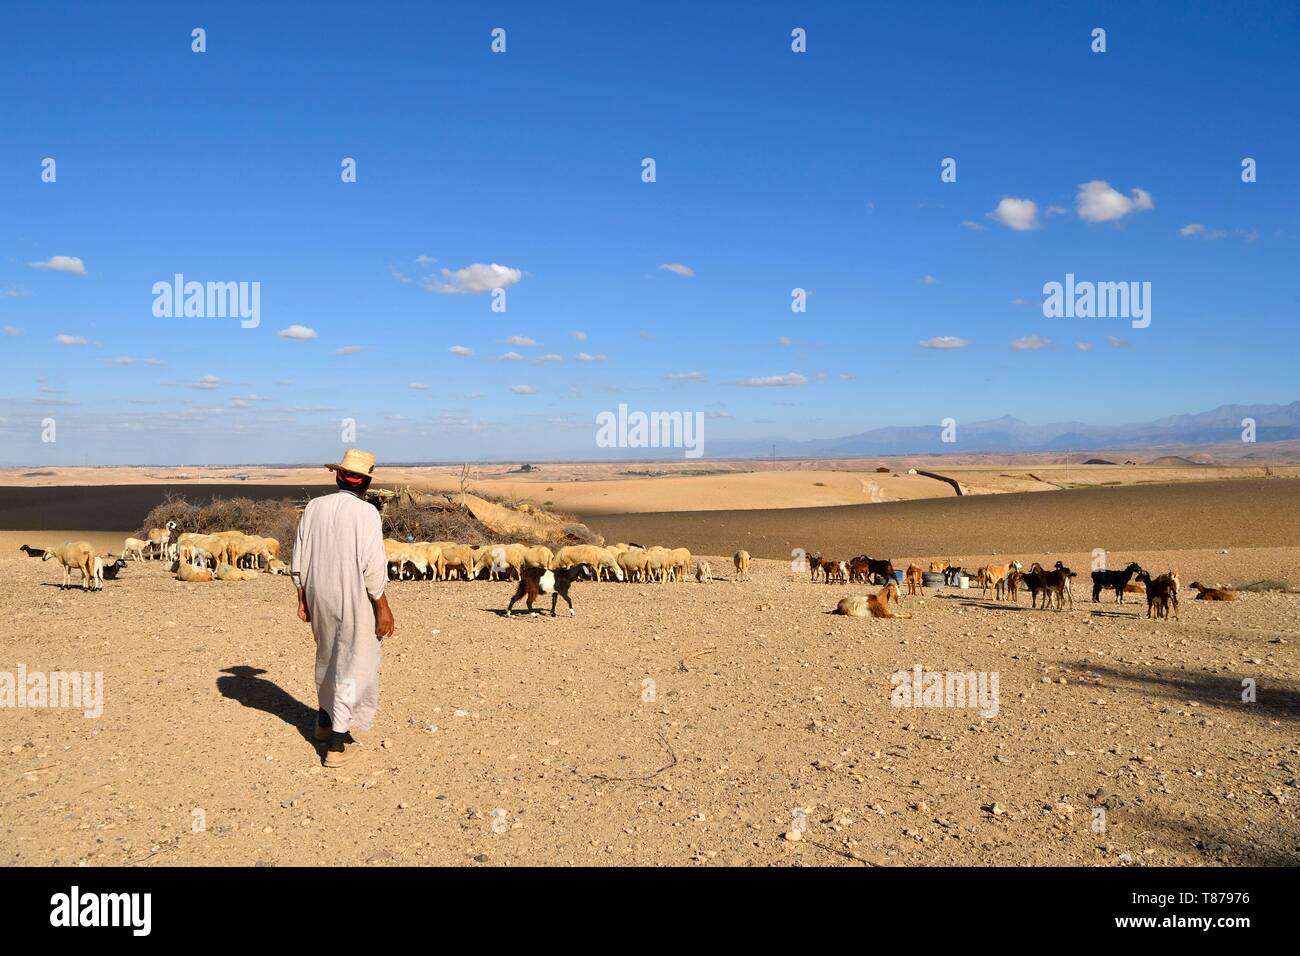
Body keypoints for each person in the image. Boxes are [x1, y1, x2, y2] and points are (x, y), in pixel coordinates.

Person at [290, 448, 395, 767]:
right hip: (353, 596)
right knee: (355, 660)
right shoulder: (367, 514)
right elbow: (373, 566)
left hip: (319, 593)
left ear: (338, 476)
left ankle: (323, 721)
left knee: (328, 654)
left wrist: (302, 596)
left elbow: (299, 557)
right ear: (364, 484)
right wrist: (383, 606)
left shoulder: (314, 507)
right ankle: (337, 743)